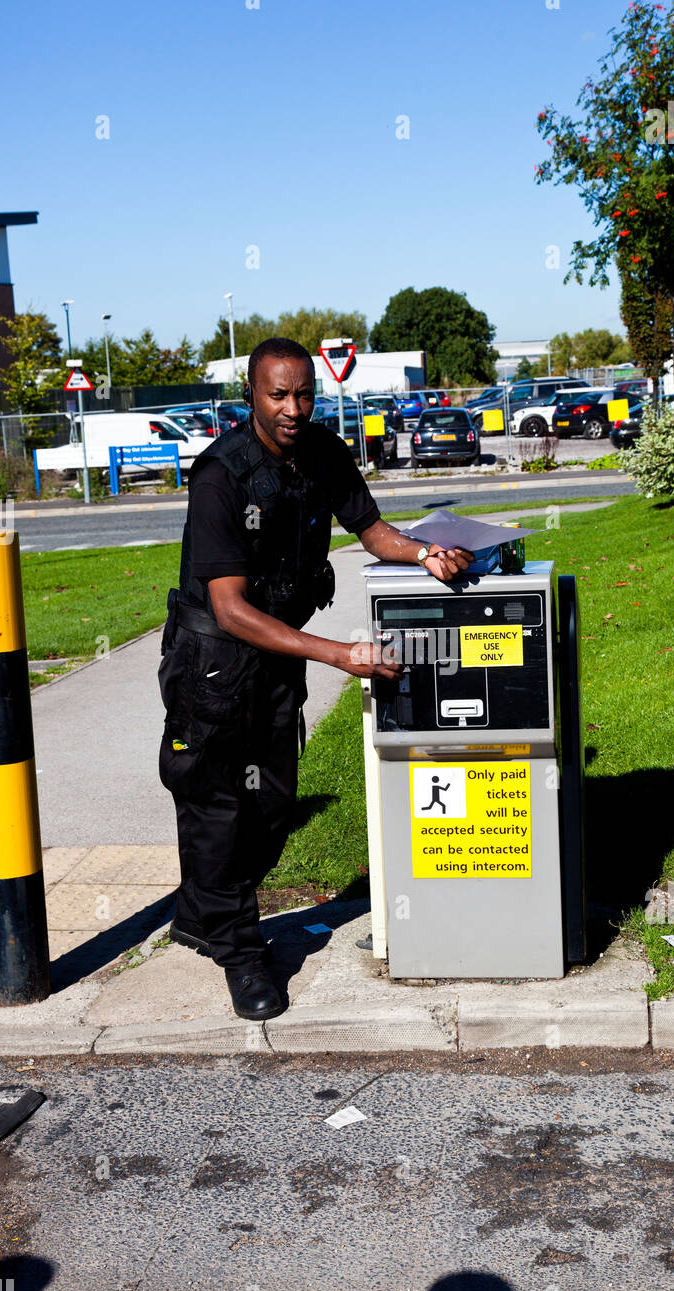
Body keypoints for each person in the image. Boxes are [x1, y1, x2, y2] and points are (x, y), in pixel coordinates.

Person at [157, 337, 472, 1021]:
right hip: (214, 668)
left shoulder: (323, 453)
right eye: (279, 395)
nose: (294, 407)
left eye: (304, 393)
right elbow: (230, 608)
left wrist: (425, 553)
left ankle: (197, 911)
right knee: (222, 813)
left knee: (271, 805)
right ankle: (241, 953)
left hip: (275, 659)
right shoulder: (221, 477)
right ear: (252, 396)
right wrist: (338, 654)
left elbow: (373, 530)